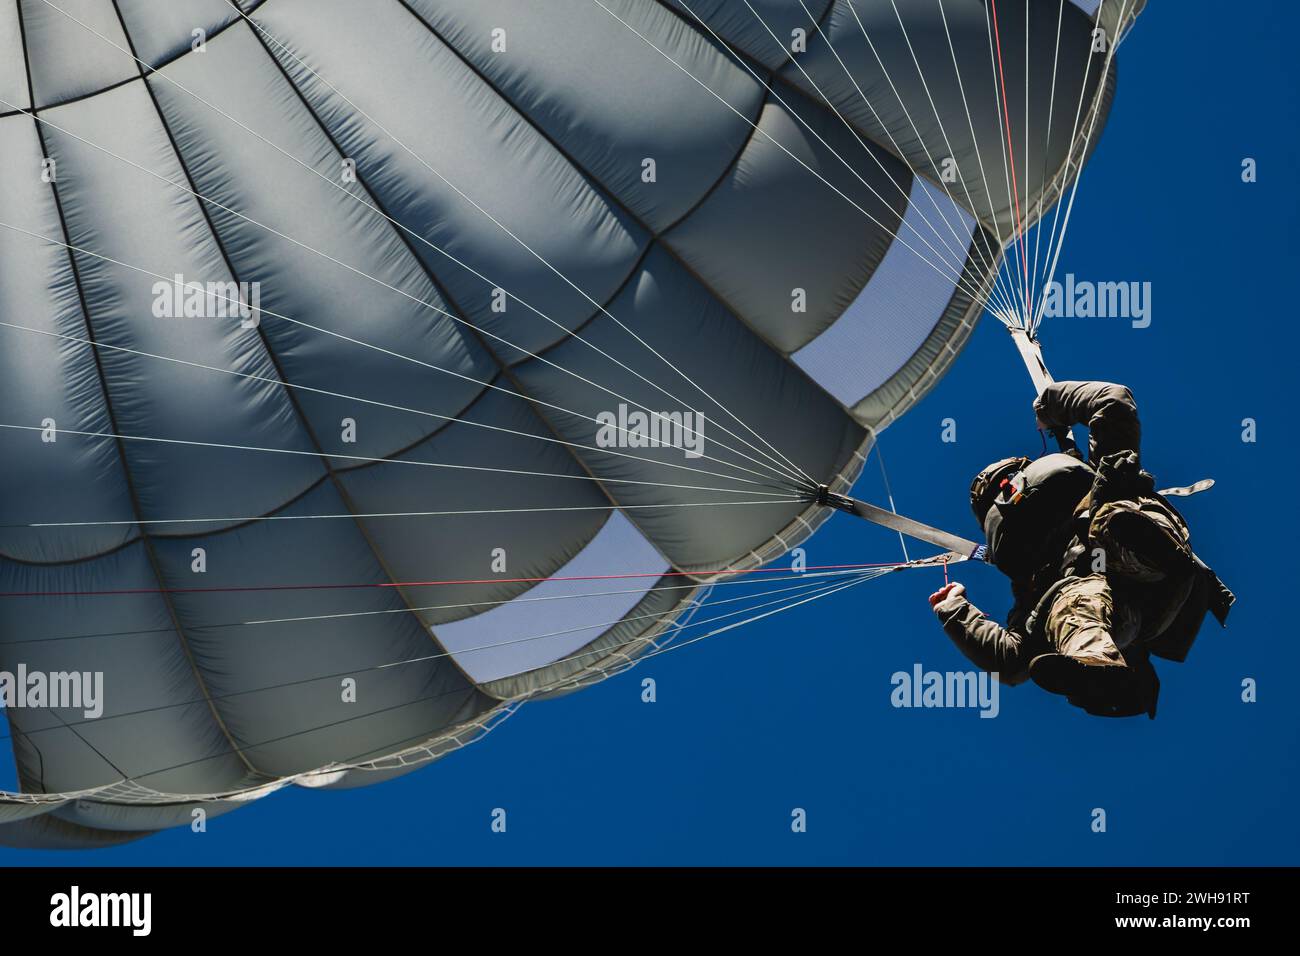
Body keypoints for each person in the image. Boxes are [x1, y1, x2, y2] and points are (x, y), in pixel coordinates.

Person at [928, 381, 1234, 718]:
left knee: (1099, 537)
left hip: (1125, 569)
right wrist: (955, 609)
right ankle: (1104, 672)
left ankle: (1105, 653)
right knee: (1076, 588)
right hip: (1141, 606)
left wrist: (954, 611)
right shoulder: (1034, 587)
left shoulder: (1092, 490)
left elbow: (1111, 400)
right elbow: (1013, 663)